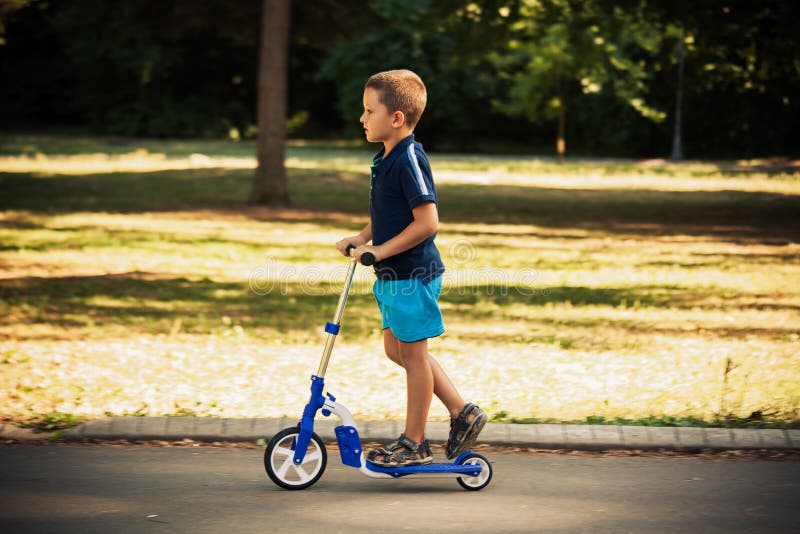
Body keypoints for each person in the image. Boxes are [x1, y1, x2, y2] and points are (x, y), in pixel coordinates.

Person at [335, 69, 486, 467]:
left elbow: (427, 222)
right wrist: (364, 239)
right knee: (397, 350)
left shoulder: (409, 159)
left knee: (414, 357)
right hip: (391, 274)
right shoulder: (384, 158)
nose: (363, 119)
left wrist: (381, 251)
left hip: (412, 275)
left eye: (370, 111)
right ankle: (462, 411)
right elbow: (390, 214)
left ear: (396, 118)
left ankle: (414, 442)